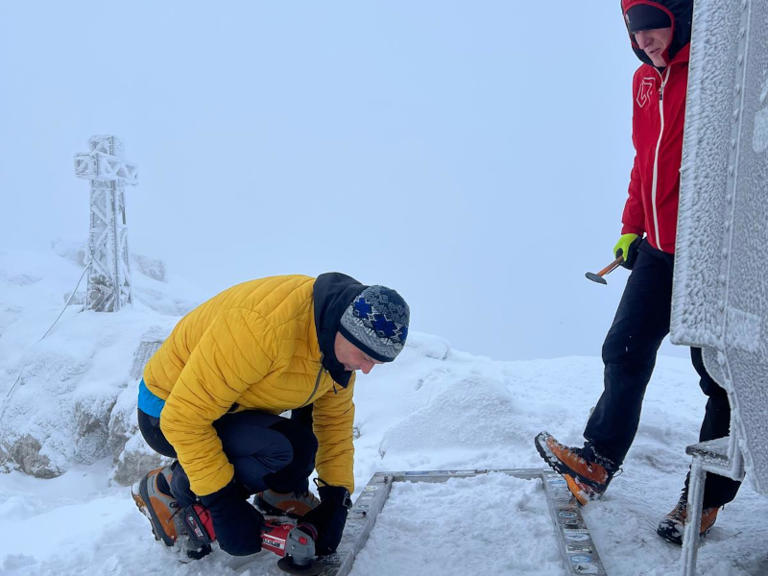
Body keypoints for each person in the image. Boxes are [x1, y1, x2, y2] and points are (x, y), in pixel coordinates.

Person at [534, 0, 741, 546]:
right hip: (658, 247)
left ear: (681, 18)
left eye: (654, 27)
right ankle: (597, 460)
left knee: (719, 378)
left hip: (712, 253)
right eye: (635, 30)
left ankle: (703, 498)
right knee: (623, 349)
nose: (645, 40)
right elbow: (643, 158)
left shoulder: (718, 73)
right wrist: (631, 225)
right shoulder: (643, 82)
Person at [131, 273, 409, 558]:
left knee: (305, 431)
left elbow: (333, 423)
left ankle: (281, 493)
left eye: (376, 362)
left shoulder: (333, 343)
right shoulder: (263, 328)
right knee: (288, 448)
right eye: (365, 357)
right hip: (167, 409)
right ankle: (172, 489)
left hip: (231, 404)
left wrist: (335, 500)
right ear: (346, 330)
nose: (366, 369)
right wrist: (223, 501)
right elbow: (183, 418)